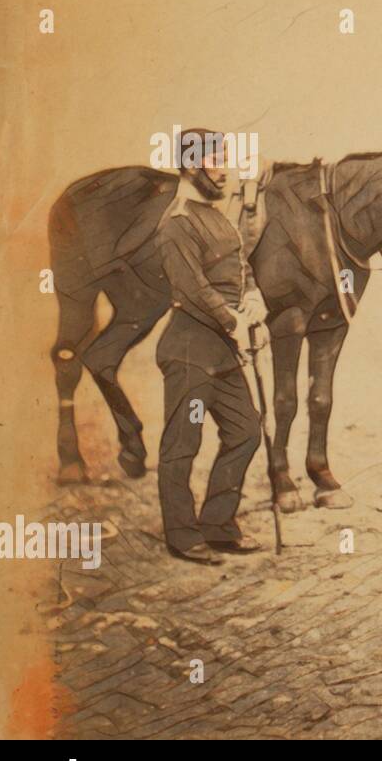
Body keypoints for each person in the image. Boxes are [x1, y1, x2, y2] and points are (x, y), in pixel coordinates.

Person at [155, 129, 267, 565]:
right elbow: (192, 288)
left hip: (221, 350)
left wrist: (253, 296)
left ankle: (218, 525)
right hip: (190, 352)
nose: (225, 171)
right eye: (216, 162)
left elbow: (239, 265)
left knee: (246, 431)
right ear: (189, 167)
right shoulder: (178, 222)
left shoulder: (217, 215)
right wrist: (232, 321)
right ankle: (182, 536)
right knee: (183, 442)